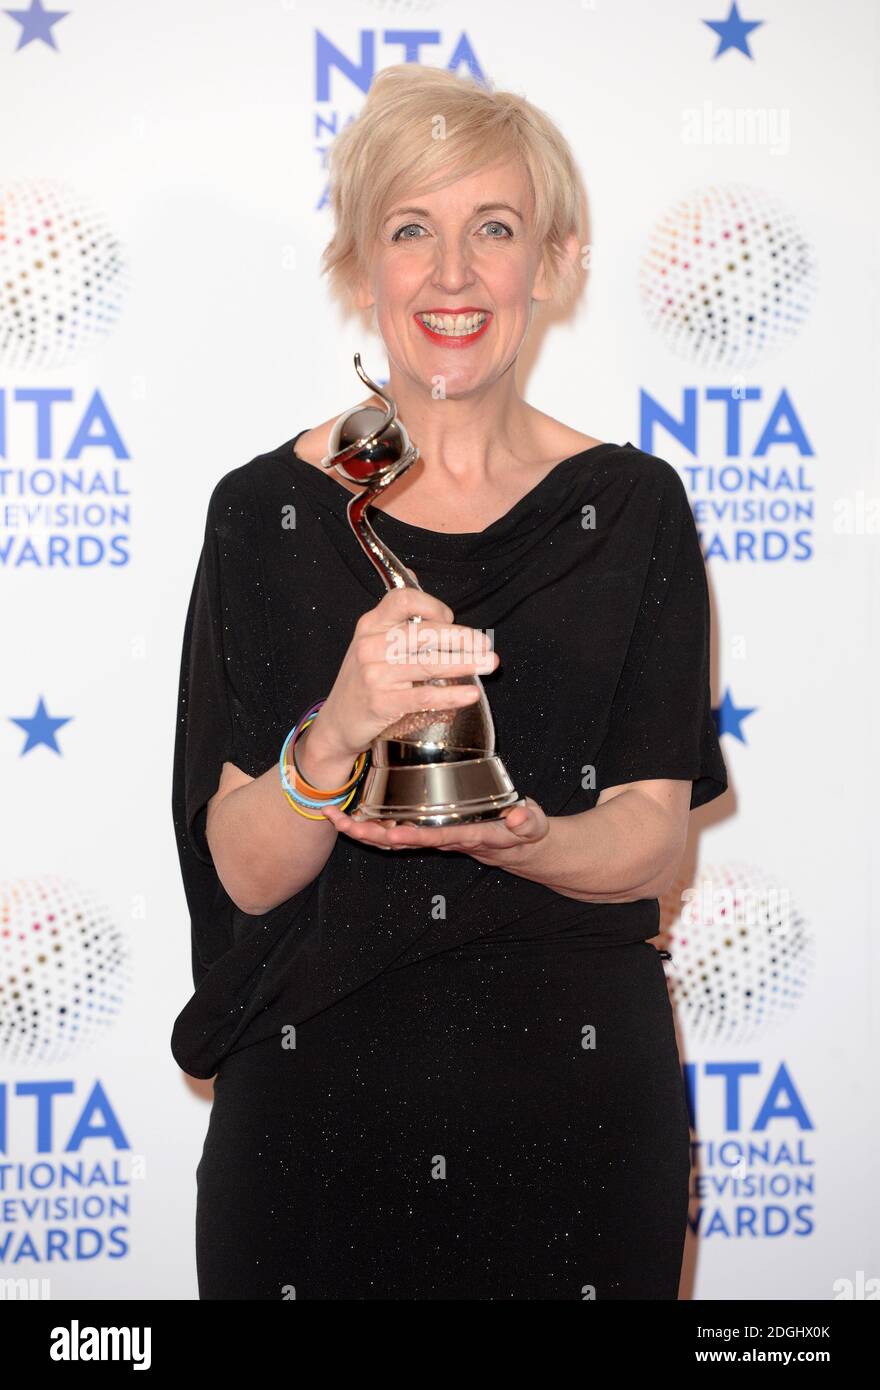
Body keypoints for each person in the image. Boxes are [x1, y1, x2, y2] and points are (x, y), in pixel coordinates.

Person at [171, 63, 727, 1300]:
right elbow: (247, 868)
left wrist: (515, 840)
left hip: (574, 1111)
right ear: (360, 263)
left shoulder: (634, 507)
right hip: (312, 1116)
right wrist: (336, 735)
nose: (454, 275)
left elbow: (647, 839)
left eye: (495, 229)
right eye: (411, 230)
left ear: (556, 261)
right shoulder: (264, 511)